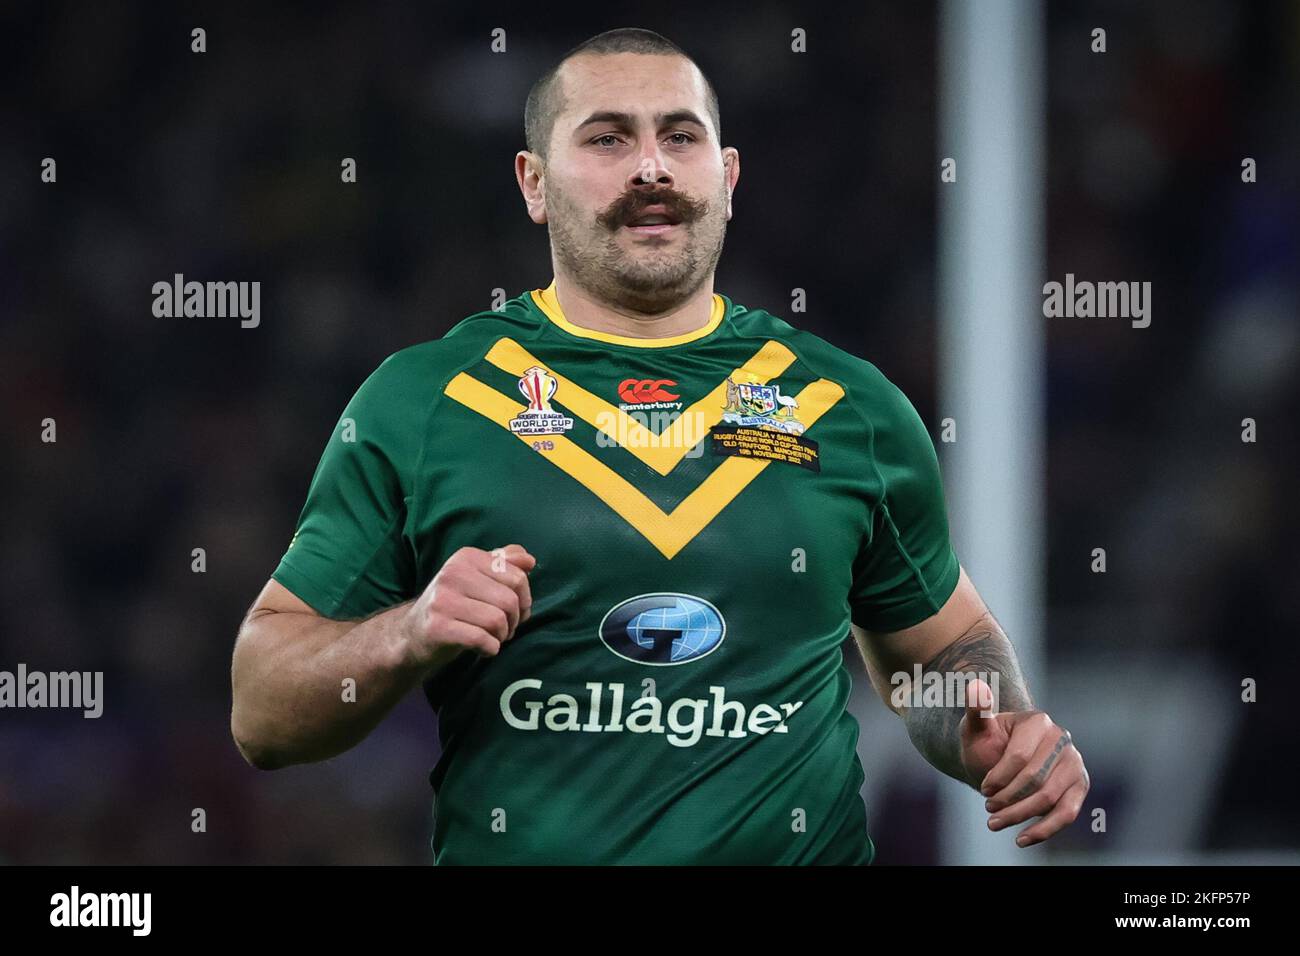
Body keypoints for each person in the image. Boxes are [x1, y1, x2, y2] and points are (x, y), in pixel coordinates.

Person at [230, 27, 1089, 864]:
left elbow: (942, 654)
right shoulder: (427, 401)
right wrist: (407, 632)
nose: (651, 167)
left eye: (681, 136)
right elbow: (261, 713)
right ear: (532, 183)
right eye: (606, 138)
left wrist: (993, 729)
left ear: (727, 175)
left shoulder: (845, 406)